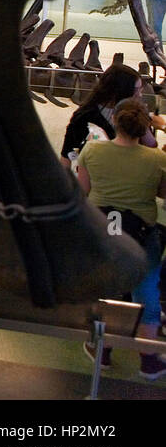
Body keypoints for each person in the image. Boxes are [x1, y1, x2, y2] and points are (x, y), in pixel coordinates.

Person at [77, 98, 166, 379]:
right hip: (141, 235)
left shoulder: (92, 151)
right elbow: (163, 194)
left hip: (102, 233)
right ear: (145, 127)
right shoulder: (158, 159)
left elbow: (83, 191)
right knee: (146, 295)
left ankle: (102, 349)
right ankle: (149, 360)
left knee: (105, 289)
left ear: (115, 121)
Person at [60, 63, 161, 172]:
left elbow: (151, 146)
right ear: (120, 90)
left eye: (140, 90)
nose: (139, 95)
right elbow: (68, 153)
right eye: (136, 90)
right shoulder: (84, 117)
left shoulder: (135, 114)